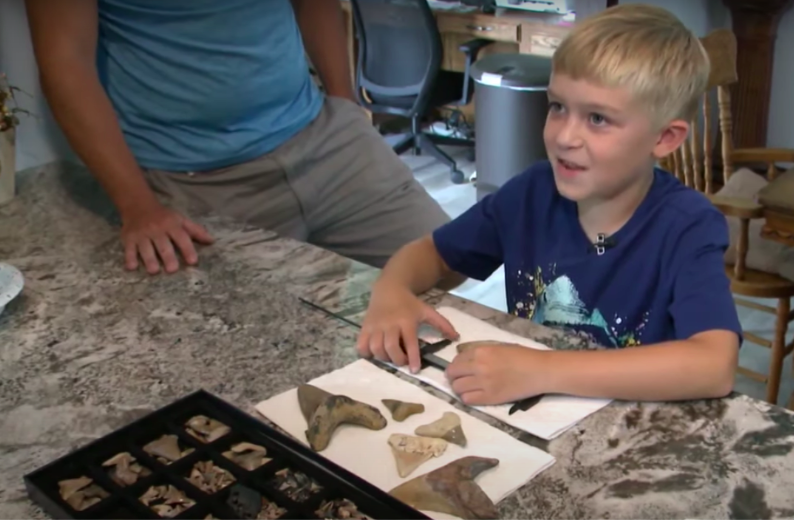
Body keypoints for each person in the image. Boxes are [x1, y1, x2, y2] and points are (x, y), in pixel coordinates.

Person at [355, 4, 742, 405]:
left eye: (597, 119)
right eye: (557, 107)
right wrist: (392, 289)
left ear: (664, 138)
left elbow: (713, 366)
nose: (564, 137)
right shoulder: (531, 193)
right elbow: (435, 254)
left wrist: (542, 369)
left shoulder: (687, 226)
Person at [24, 0, 449, 274]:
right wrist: (138, 206)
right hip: (196, 178)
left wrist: (344, 100)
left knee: (447, 261)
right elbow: (65, 63)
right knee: (249, 337)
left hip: (323, 136)